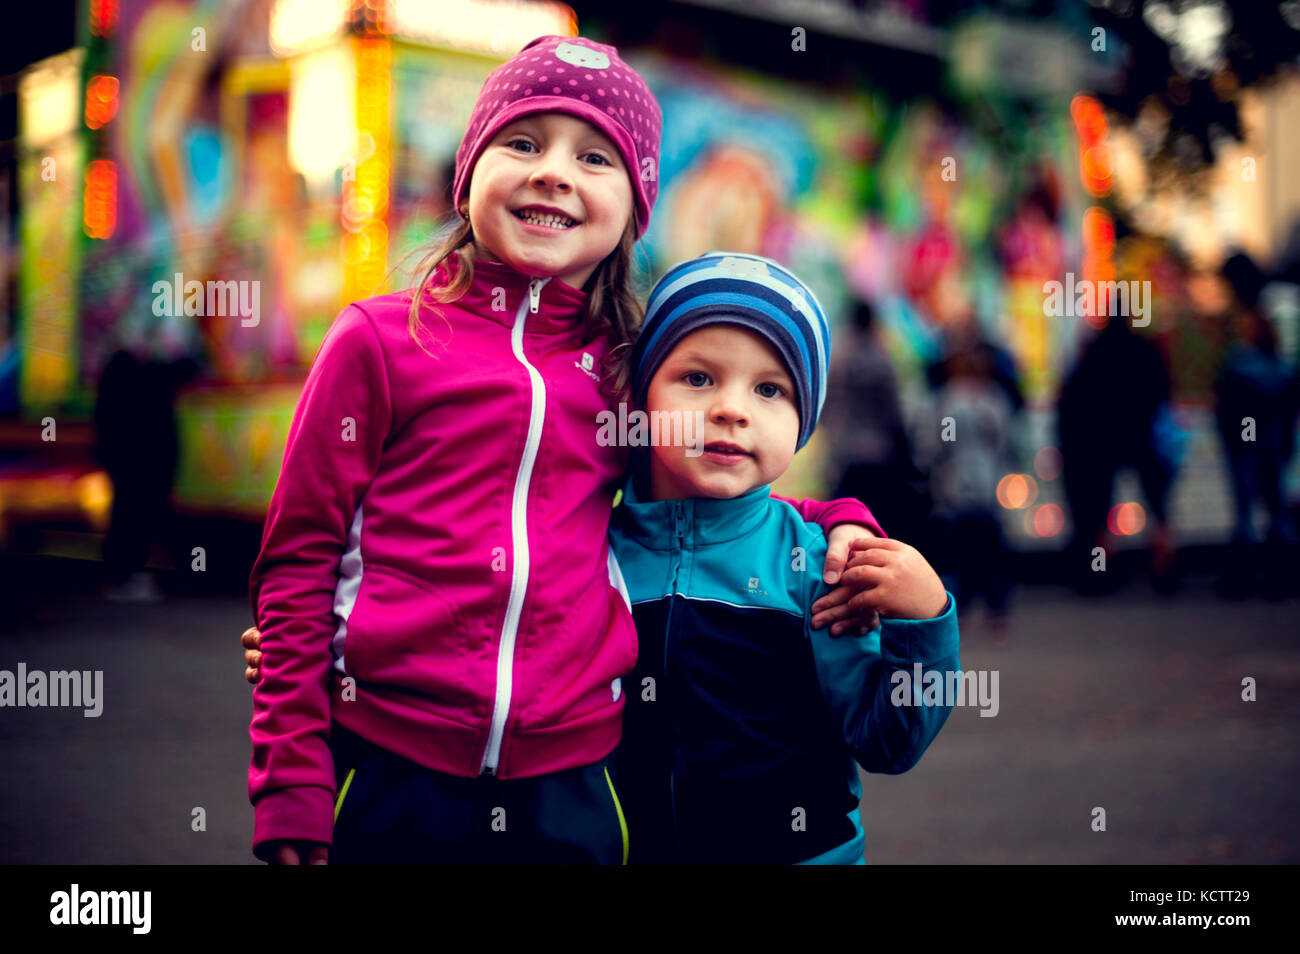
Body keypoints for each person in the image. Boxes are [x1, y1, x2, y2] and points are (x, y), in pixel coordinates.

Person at [246, 36, 883, 866]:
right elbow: (299, 560)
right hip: (391, 761)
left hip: (576, 779)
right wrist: (290, 772)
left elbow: (707, 502)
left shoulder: (628, 370)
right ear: (469, 172)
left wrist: (840, 519)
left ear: (633, 208)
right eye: (523, 143)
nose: (554, 172)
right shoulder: (379, 342)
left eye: (594, 157)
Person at [612, 252, 958, 863]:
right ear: (641, 397)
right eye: (697, 378)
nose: (731, 408)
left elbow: (887, 744)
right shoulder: (594, 552)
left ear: (803, 422)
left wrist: (925, 621)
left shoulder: (819, 566)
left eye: (769, 388)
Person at [1214, 252, 1299, 598]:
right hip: (1272, 420)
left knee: (1251, 496)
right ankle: (1278, 573)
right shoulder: (1280, 305)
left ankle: (1250, 574)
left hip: (1253, 421)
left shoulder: (1267, 310)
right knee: (1271, 495)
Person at [823, 298, 930, 548]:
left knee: (844, 521)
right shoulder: (882, 359)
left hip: (844, 453)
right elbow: (895, 411)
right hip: (880, 454)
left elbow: (827, 408)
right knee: (876, 523)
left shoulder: (838, 359)